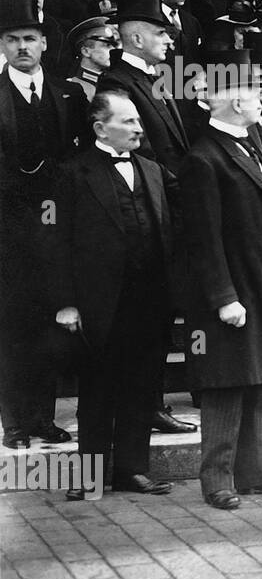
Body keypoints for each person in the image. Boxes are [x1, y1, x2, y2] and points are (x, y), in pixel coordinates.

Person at [178, 65, 262, 510]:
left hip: (261, 285)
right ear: (233, 101)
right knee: (226, 385)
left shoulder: (247, 146)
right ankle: (217, 479)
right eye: (254, 93)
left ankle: (257, 472)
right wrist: (223, 297)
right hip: (233, 292)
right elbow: (202, 239)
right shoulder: (204, 158)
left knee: (260, 381)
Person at [50, 90, 177, 499]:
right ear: (100, 128)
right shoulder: (71, 173)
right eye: (128, 122)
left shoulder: (153, 170)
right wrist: (66, 302)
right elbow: (53, 241)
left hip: (149, 299)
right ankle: (89, 475)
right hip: (99, 303)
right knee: (98, 391)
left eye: (139, 121)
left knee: (141, 386)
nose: (139, 128)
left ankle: (132, 470)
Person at [0, 0, 78, 450]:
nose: (22, 47)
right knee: (12, 326)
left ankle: (44, 418)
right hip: (9, 233)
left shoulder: (66, 93)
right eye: (12, 39)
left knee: (51, 326)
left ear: (44, 43)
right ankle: (15, 420)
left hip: (56, 230)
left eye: (30, 38)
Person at [96, 0, 189, 175]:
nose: (168, 41)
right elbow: (139, 152)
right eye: (160, 33)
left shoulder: (155, 75)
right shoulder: (116, 83)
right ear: (137, 40)